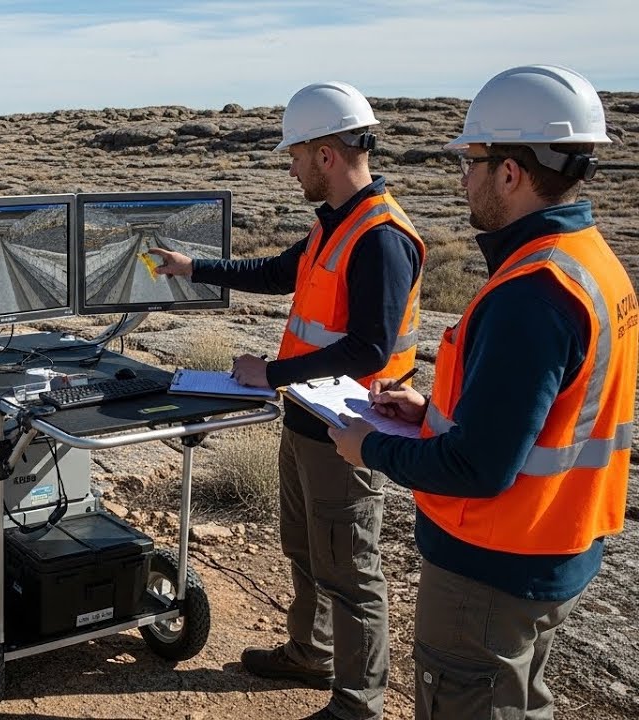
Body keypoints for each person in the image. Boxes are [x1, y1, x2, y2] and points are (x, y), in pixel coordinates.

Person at [329, 65, 637, 719]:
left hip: (492, 572)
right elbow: (551, 415)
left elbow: (480, 467)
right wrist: (435, 412)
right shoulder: (591, 262)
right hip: (555, 551)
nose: (463, 179)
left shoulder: (534, 292)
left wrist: (370, 450)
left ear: (510, 172)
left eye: (470, 161)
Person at [151, 81, 425, 720]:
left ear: (326, 154)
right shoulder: (336, 224)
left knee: (352, 572)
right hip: (308, 419)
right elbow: (278, 273)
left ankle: (359, 704)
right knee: (306, 550)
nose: (290, 165)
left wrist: (270, 371)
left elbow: (367, 348)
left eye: (295, 154)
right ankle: (310, 653)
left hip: (349, 429)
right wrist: (194, 267)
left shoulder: (380, 237)